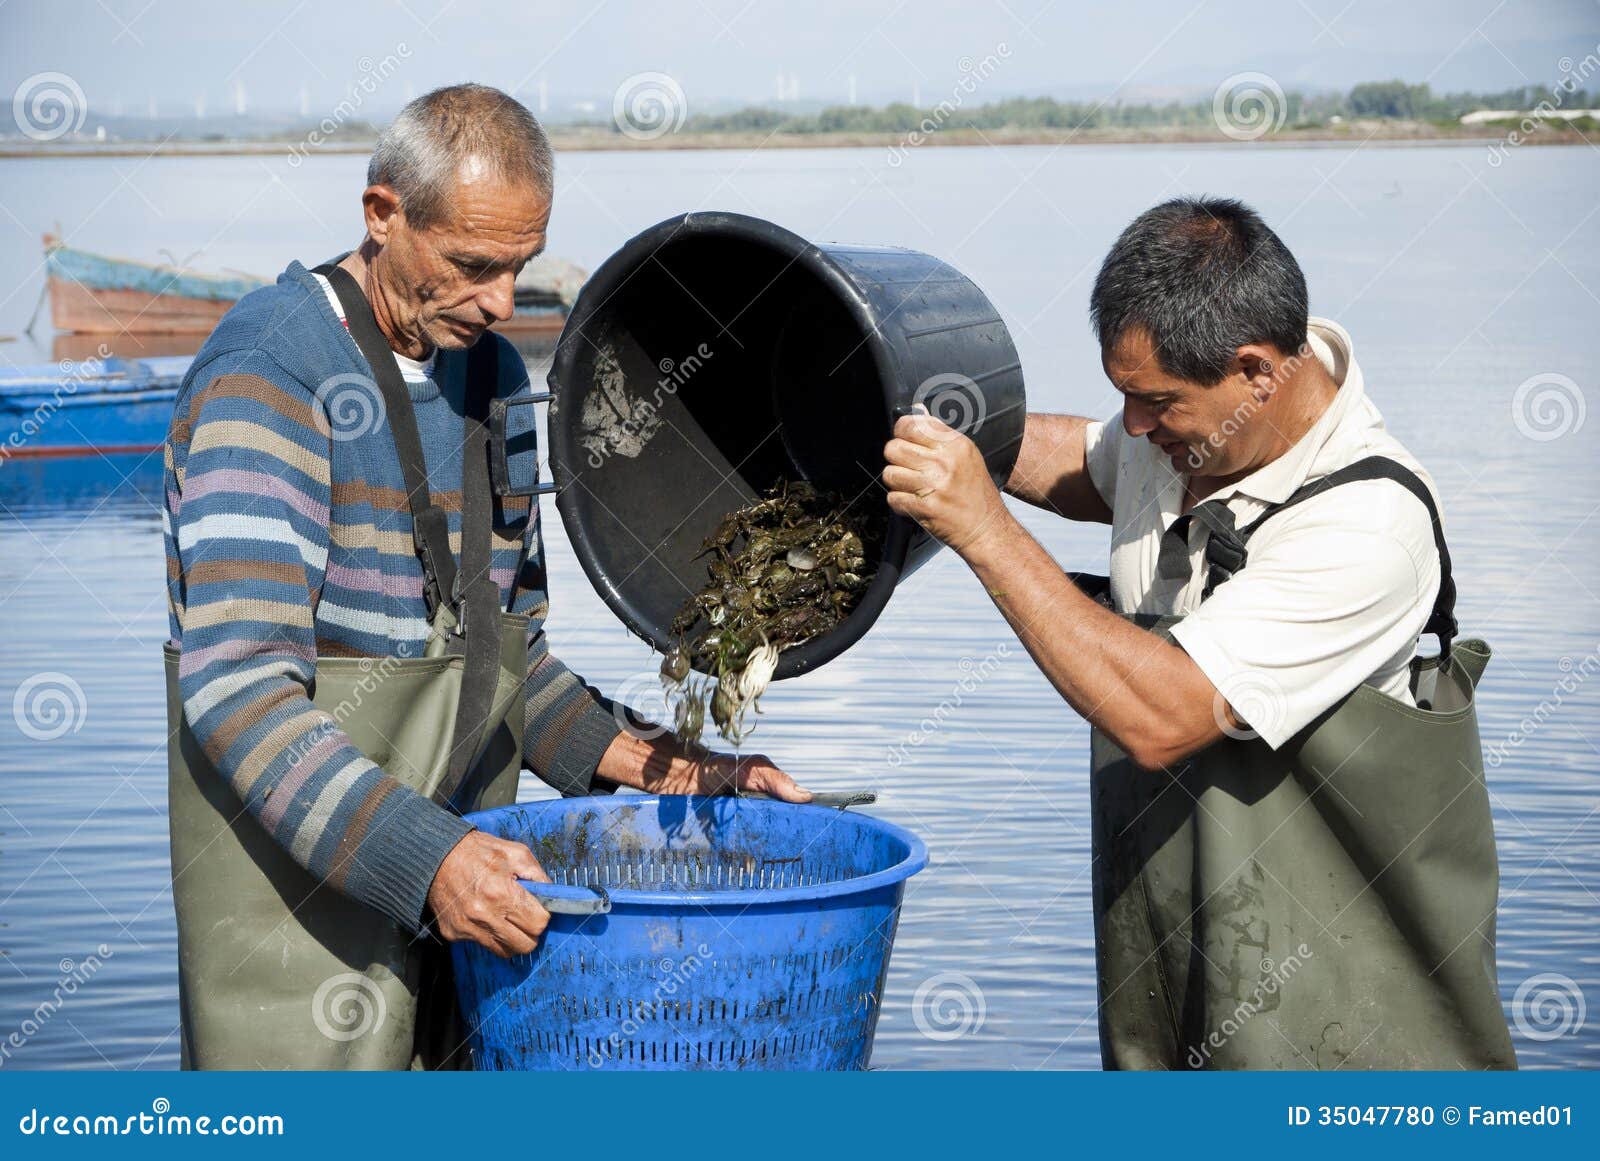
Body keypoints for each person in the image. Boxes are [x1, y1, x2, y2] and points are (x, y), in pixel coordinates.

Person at [161, 83, 807, 1070]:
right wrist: (434, 861)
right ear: (382, 215)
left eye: (519, 268)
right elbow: (239, 693)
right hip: (300, 933)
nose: (502, 302)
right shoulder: (271, 374)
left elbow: (511, 670)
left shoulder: (494, 381)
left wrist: (679, 771)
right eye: (471, 266)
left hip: (458, 928)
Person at [882, 197, 1515, 1069]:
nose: (1136, 427)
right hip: (1179, 997)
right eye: (1125, 399)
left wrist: (981, 527)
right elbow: (1087, 463)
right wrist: (932, 428)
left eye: (1156, 403)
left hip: (1349, 1043)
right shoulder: (1194, 435)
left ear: (1257, 369)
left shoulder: (1368, 525)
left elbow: (1166, 714)